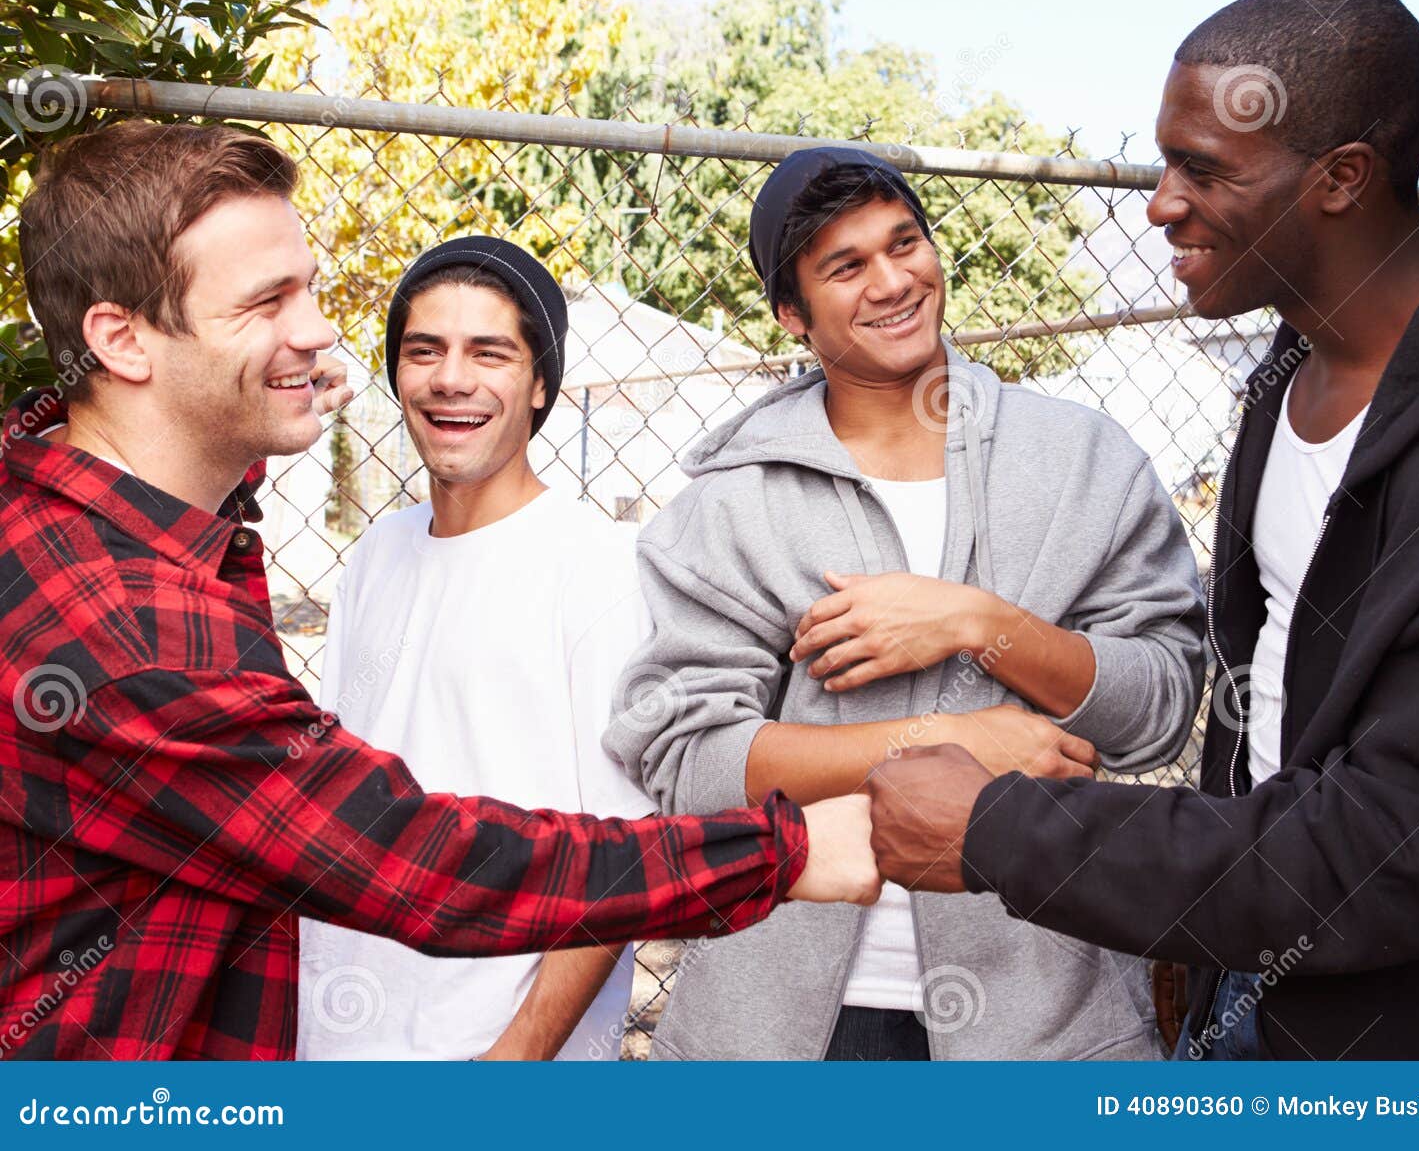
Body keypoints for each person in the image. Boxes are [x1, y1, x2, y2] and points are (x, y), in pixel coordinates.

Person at [0, 120, 879, 1062]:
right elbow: (406, 856)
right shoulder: (121, 612)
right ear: (120, 340)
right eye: (266, 303)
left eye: (308, 287)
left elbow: (601, 816)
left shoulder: (140, 530)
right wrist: (789, 851)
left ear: (543, 382)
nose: (316, 330)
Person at [865, 0, 1419, 1059]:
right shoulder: (1290, 373)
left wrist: (1001, 831)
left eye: (1204, 170)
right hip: (1267, 984)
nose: (1161, 204)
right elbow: (1267, 736)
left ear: (1340, 177)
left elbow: (1398, 848)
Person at [605, 147, 1205, 1060]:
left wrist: (978, 623)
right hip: (786, 1029)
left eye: (905, 243)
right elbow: (689, 761)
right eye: (846, 267)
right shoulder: (733, 505)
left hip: (1045, 1017)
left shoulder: (1084, 460)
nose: (893, 281)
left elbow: (1157, 710)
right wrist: (941, 744)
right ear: (792, 315)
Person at [297, 238, 661, 1061]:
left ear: (539, 383)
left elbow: (624, 854)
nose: (450, 378)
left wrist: (516, 1060)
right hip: (339, 1037)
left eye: (488, 353)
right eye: (424, 351)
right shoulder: (376, 553)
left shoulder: (600, 568)